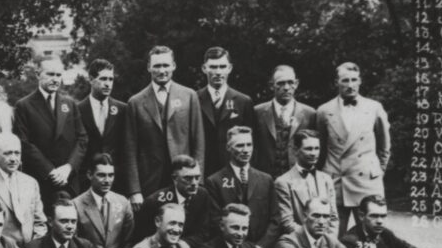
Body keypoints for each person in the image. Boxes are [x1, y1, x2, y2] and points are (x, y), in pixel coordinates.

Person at [316, 62, 391, 236]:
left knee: (370, 236)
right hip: (336, 181)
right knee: (332, 236)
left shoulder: (374, 108)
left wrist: (377, 171)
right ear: (336, 82)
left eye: (354, 80)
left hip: (367, 182)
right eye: (345, 80)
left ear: (360, 81)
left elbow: (384, 146)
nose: (350, 85)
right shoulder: (324, 111)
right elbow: (321, 149)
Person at [124, 46, 204, 206]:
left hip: (184, 179)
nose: (162, 70)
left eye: (166, 65)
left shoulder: (189, 96)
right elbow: (130, 150)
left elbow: (198, 142)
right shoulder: (135, 102)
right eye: (157, 66)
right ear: (149, 67)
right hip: (150, 181)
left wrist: (197, 181)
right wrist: (135, 190)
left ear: (173, 66)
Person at [13, 56, 88, 204]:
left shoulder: (70, 104)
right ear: (37, 74)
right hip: (39, 180)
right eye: (50, 74)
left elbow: (82, 139)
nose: (55, 79)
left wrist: (69, 167)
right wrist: (50, 171)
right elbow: (24, 143)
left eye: (58, 75)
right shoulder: (24, 106)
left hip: (68, 180)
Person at [204, 126, 279, 248]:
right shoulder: (215, 181)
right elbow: (215, 220)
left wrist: (261, 246)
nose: (246, 150)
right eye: (240, 145)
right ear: (228, 147)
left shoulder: (266, 180)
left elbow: (275, 219)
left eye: (249, 145)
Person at [0, 133, 47, 246]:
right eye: (8, 153)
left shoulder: (30, 183)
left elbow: (40, 222)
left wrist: (35, 247)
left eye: (17, 153)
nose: (13, 159)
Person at [197, 47, 255, 176]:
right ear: (204, 68)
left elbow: (251, 141)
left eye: (222, 67)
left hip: (233, 169)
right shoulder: (194, 99)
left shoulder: (243, 101)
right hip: (203, 169)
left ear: (229, 68)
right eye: (213, 67)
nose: (218, 72)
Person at [133, 155, 214, 246]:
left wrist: (180, 246)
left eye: (197, 177)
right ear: (174, 178)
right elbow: (141, 237)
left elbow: (203, 233)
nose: (194, 183)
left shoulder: (202, 195)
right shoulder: (154, 202)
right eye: (188, 178)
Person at [253, 65, 316, 178]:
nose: (286, 87)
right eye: (280, 83)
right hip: (265, 178)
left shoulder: (309, 114)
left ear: (296, 84)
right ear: (272, 85)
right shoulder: (258, 112)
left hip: (298, 179)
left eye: (290, 82)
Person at [275, 130, 338, 235]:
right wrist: (311, 240)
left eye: (317, 148)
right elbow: (287, 222)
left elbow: (333, 218)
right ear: (296, 150)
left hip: (326, 241)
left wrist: (328, 240)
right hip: (298, 240)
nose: (313, 153)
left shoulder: (326, 179)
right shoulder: (283, 182)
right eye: (308, 149)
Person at [77, 59, 127, 189]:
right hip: (87, 181)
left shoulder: (123, 110)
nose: (107, 84)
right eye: (103, 79)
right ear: (91, 79)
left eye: (111, 79)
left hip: (117, 181)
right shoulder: (78, 110)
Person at [72, 154, 134, 248]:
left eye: (111, 175)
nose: (107, 181)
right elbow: (73, 244)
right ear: (89, 175)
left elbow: (129, 243)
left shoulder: (123, 203)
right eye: (101, 175)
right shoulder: (76, 205)